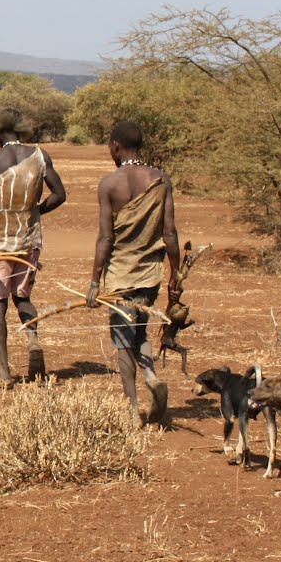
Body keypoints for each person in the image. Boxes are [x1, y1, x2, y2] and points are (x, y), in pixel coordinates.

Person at [87, 120, 181, 427]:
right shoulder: (160, 179)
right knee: (140, 331)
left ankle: (131, 409)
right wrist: (175, 275)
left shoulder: (109, 184)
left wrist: (94, 282)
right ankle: (152, 378)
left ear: (115, 145)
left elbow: (105, 238)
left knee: (122, 342)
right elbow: (169, 233)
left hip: (119, 277)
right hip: (150, 273)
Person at [0, 108, 67, 387]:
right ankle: (33, 339)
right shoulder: (40, 156)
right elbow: (59, 195)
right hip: (29, 242)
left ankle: (4, 374)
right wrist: (34, 212)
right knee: (22, 298)